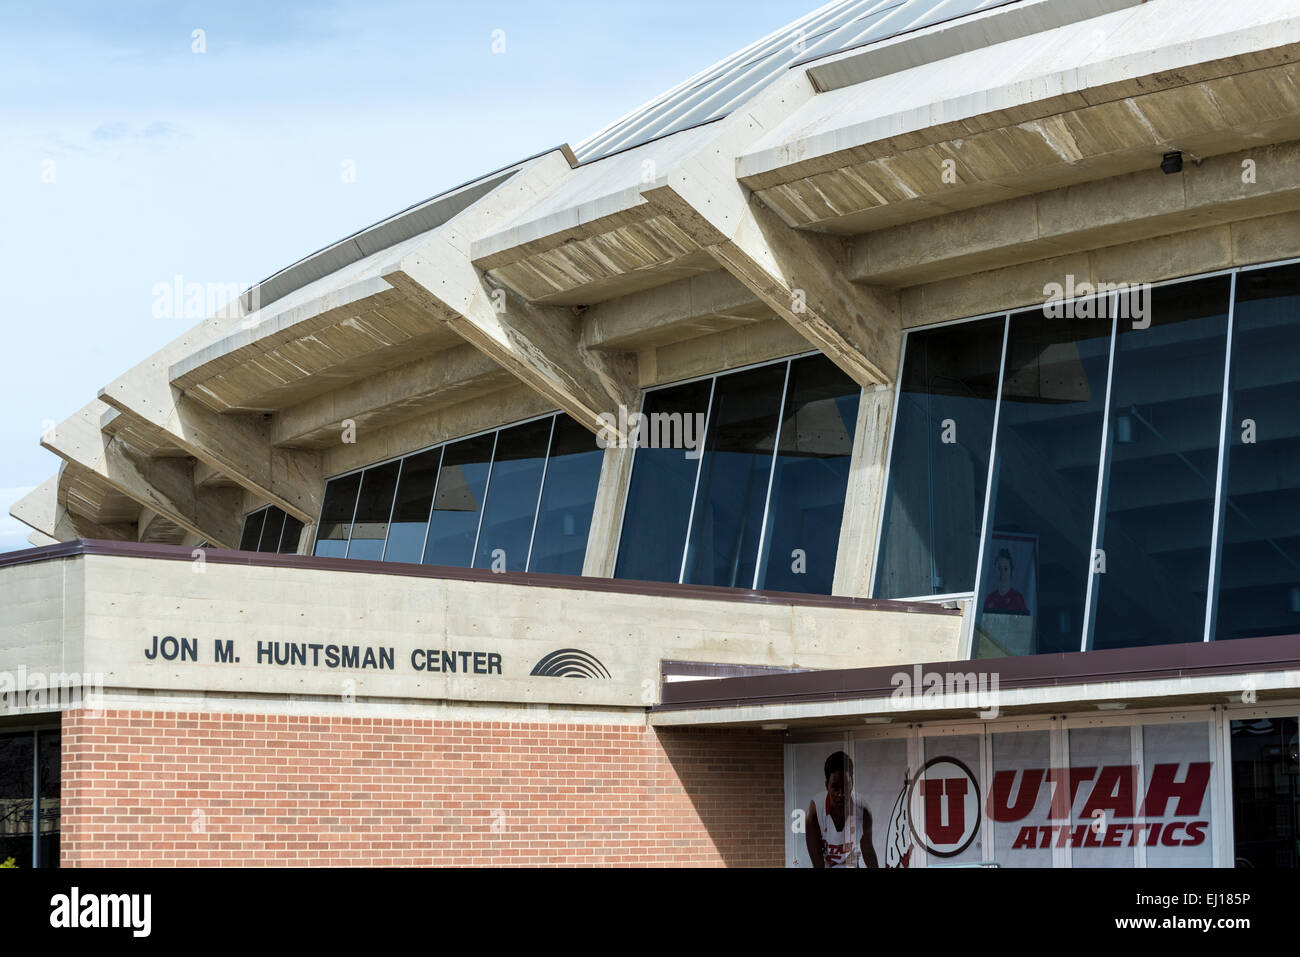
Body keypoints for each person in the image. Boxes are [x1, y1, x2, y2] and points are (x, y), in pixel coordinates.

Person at [805, 751, 879, 867]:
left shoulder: (862, 810)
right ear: (827, 786)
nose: (841, 793)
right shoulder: (816, 811)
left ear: (852, 783)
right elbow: (817, 863)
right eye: (835, 787)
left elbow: (868, 852)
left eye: (845, 786)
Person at [983, 547, 1028, 613]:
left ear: (1011, 572)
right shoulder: (990, 599)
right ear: (995, 571)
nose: (1002, 573)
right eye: (999, 568)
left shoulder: (1018, 599)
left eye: (1006, 569)